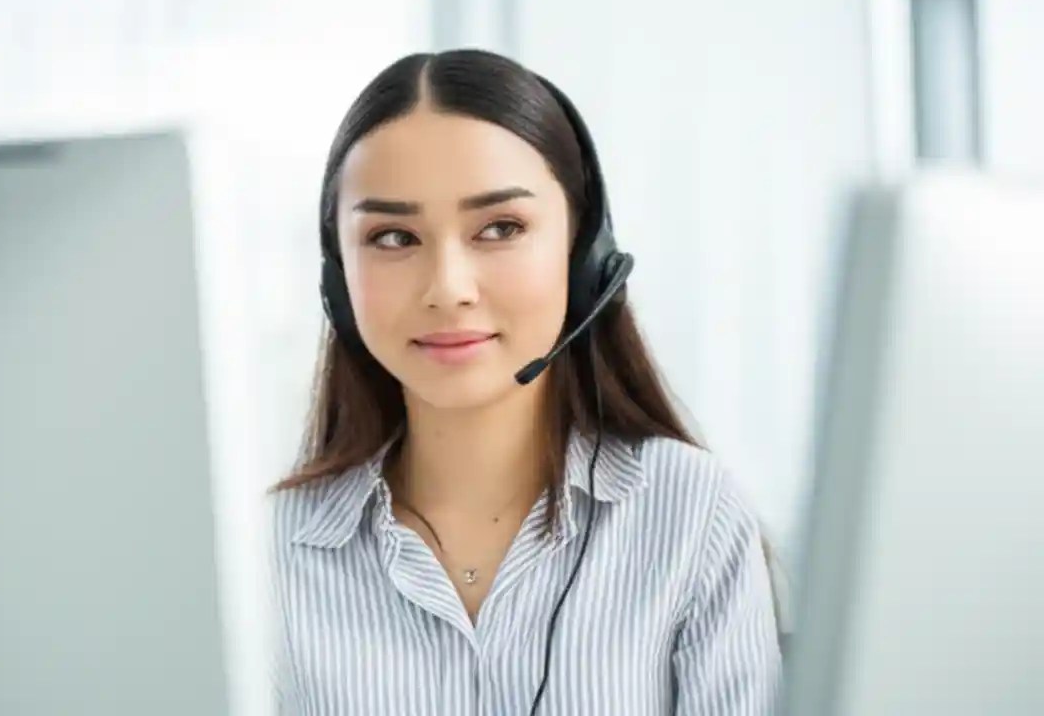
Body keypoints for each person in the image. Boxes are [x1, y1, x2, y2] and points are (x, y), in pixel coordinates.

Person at [267, 48, 783, 715]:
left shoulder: (689, 515)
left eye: (500, 228)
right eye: (393, 237)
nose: (448, 289)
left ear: (583, 255)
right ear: (339, 280)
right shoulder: (265, 560)